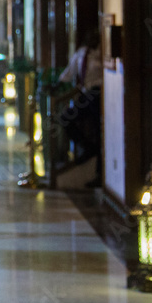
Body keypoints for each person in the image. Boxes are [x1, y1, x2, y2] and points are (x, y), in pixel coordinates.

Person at [57, 30, 103, 186]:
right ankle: (87, 146)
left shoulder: (102, 53)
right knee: (66, 118)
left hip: (98, 95)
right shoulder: (81, 53)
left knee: (100, 131)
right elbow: (69, 72)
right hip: (86, 95)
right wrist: (57, 84)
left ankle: (99, 174)